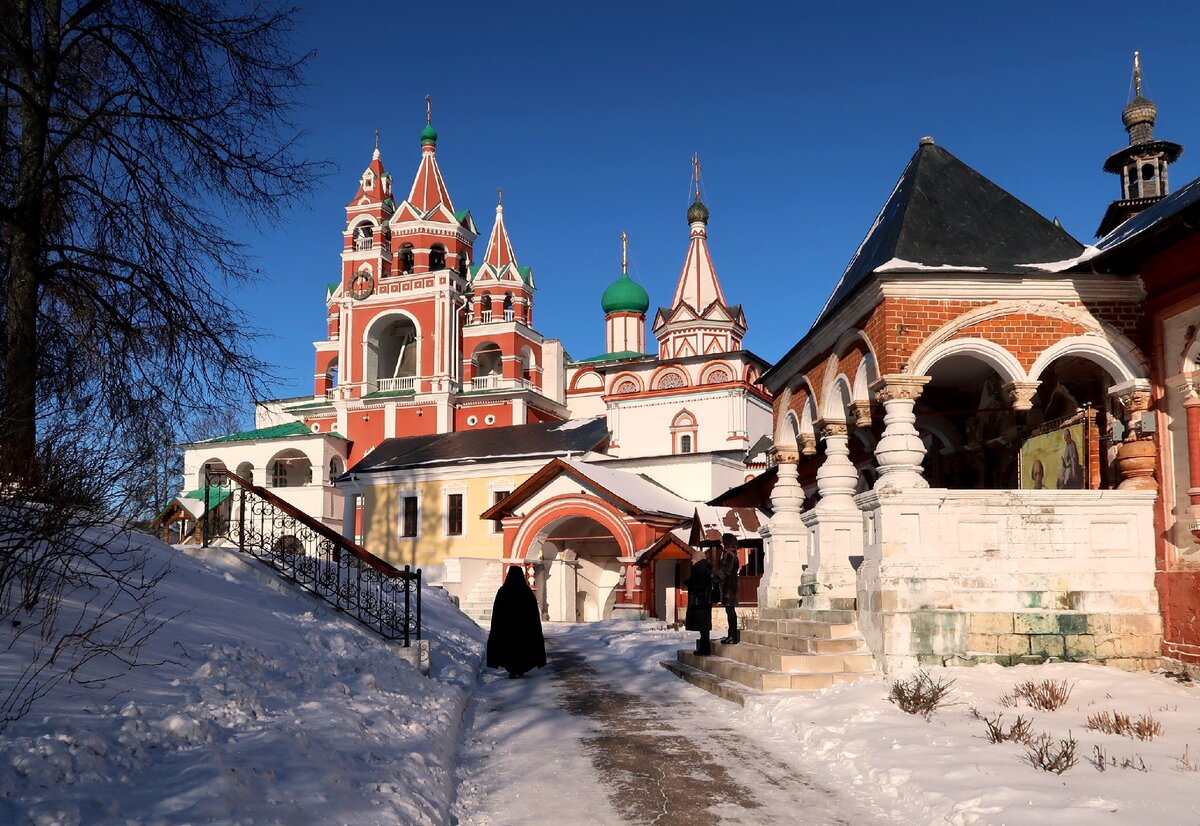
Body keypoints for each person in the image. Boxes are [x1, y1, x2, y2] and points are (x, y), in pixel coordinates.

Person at [486, 566, 547, 678]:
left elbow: (497, 611)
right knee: (522, 648)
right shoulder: (526, 591)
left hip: (507, 629)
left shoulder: (503, 591)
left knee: (509, 648)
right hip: (524, 629)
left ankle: (512, 670)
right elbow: (533, 612)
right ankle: (521, 668)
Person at [683, 550, 714, 655]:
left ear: (697, 559)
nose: (692, 560)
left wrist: (689, 583)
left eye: (693, 558)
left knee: (703, 626)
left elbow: (699, 585)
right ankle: (703, 648)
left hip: (700, 602)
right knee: (704, 626)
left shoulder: (699, 569)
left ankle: (704, 649)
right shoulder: (705, 568)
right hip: (704, 601)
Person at [715, 532, 740, 645]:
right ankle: (731, 635)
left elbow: (725, 570)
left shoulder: (729, 554)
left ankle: (732, 636)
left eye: (722, 541)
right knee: (729, 611)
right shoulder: (730, 553)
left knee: (730, 611)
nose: (720, 544)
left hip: (729, 586)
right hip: (729, 585)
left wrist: (715, 578)